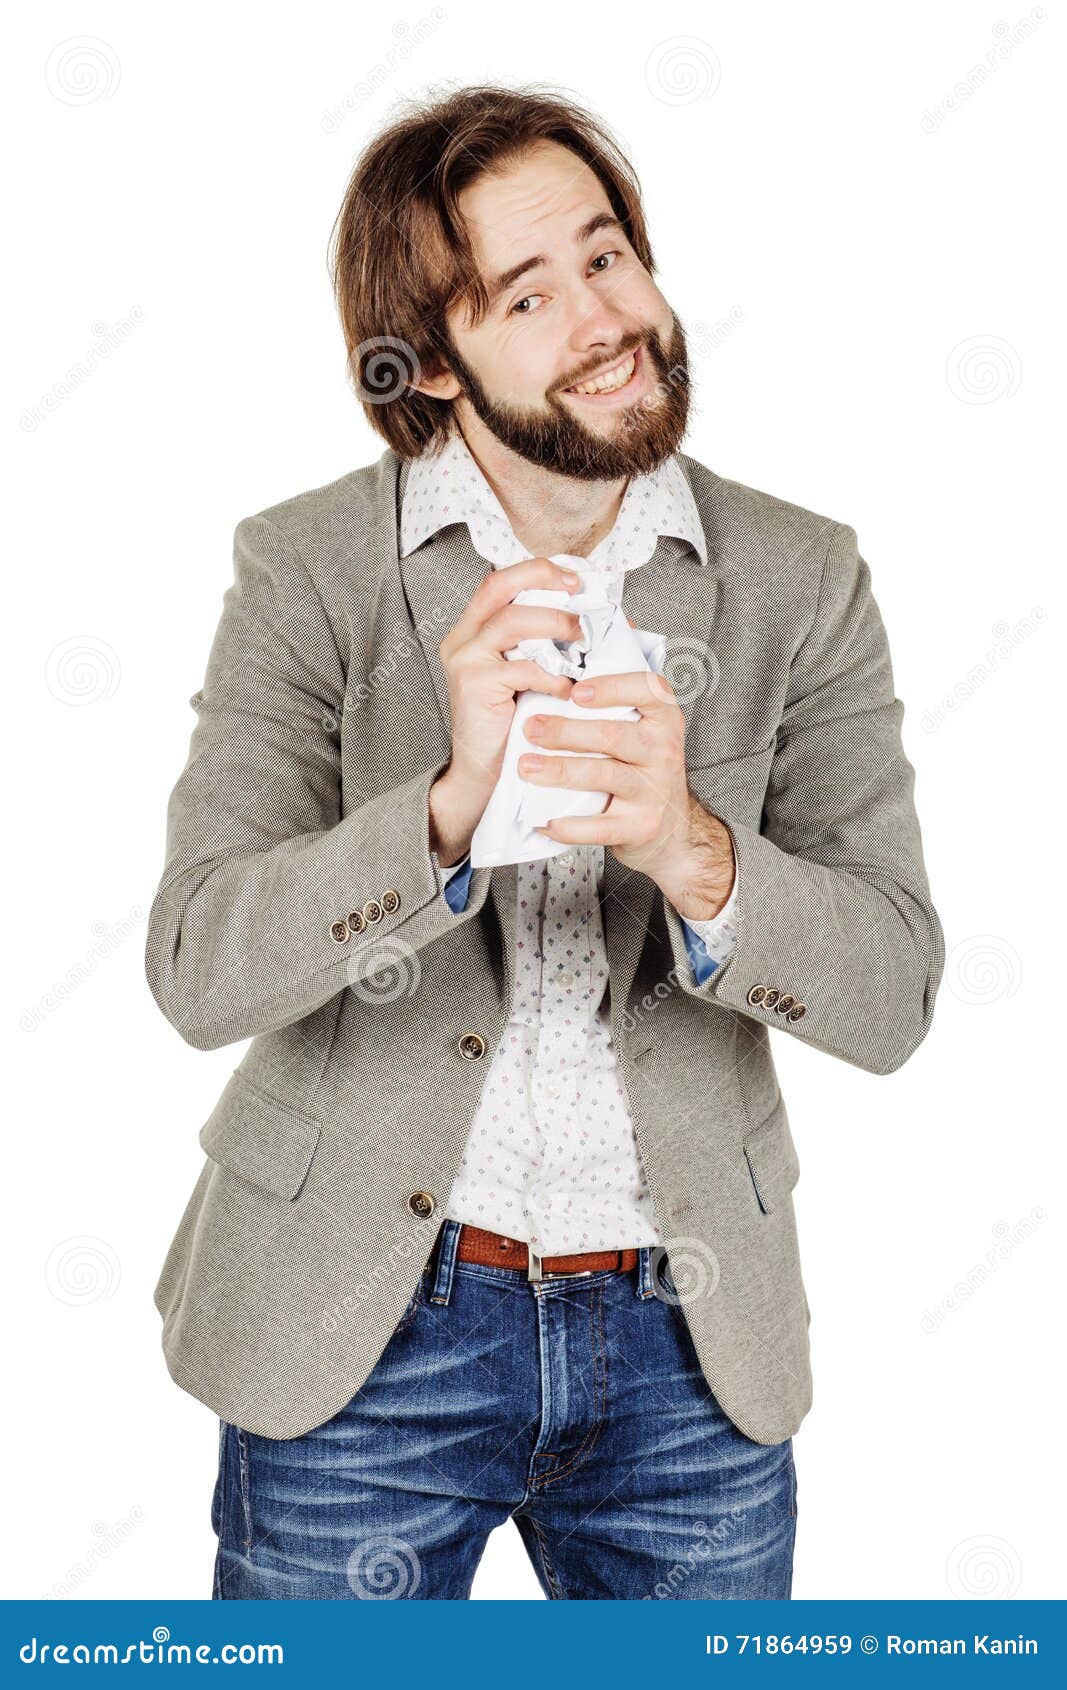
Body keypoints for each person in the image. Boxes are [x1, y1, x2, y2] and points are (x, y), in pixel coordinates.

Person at [146, 84, 944, 1601]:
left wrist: (697, 848)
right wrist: (442, 811)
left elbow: (896, 989)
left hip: (688, 1346)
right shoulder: (311, 569)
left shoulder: (801, 577)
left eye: (610, 255)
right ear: (431, 362)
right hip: (361, 1335)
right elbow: (197, 964)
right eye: (532, 293)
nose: (609, 318)